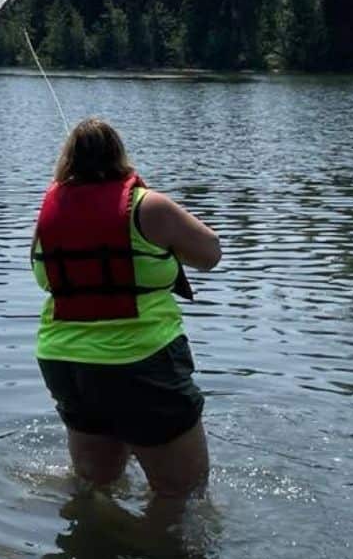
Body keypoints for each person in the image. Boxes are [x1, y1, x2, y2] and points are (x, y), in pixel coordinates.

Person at [31, 117, 220, 500]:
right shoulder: (149, 207)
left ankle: (87, 554)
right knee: (183, 493)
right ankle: (159, 558)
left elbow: (43, 278)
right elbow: (210, 254)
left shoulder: (50, 212)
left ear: (66, 161)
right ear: (121, 156)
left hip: (66, 364)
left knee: (94, 485)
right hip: (141, 362)